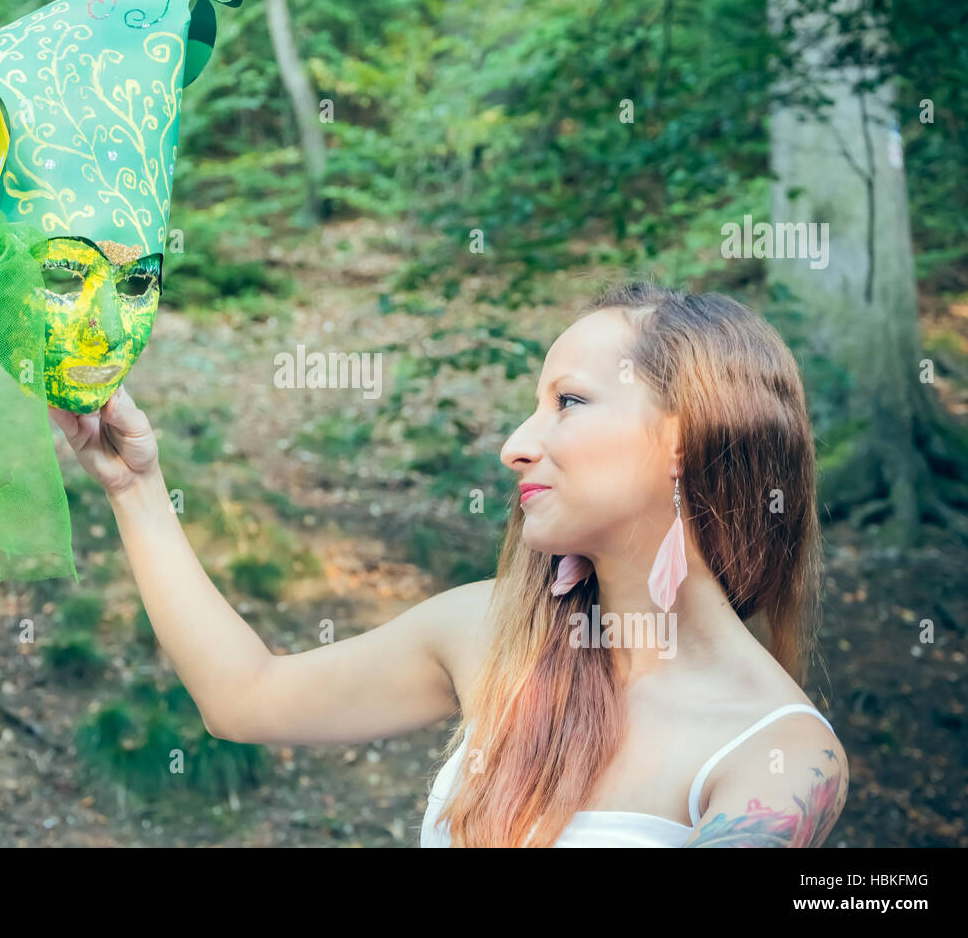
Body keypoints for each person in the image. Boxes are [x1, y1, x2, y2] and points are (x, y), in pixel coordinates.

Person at [49, 280, 850, 847]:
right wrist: (136, 489)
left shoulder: (776, 753)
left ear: (683, 437)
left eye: (567, 403)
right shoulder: (489, 632)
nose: (514, 445)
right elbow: (247, 699)